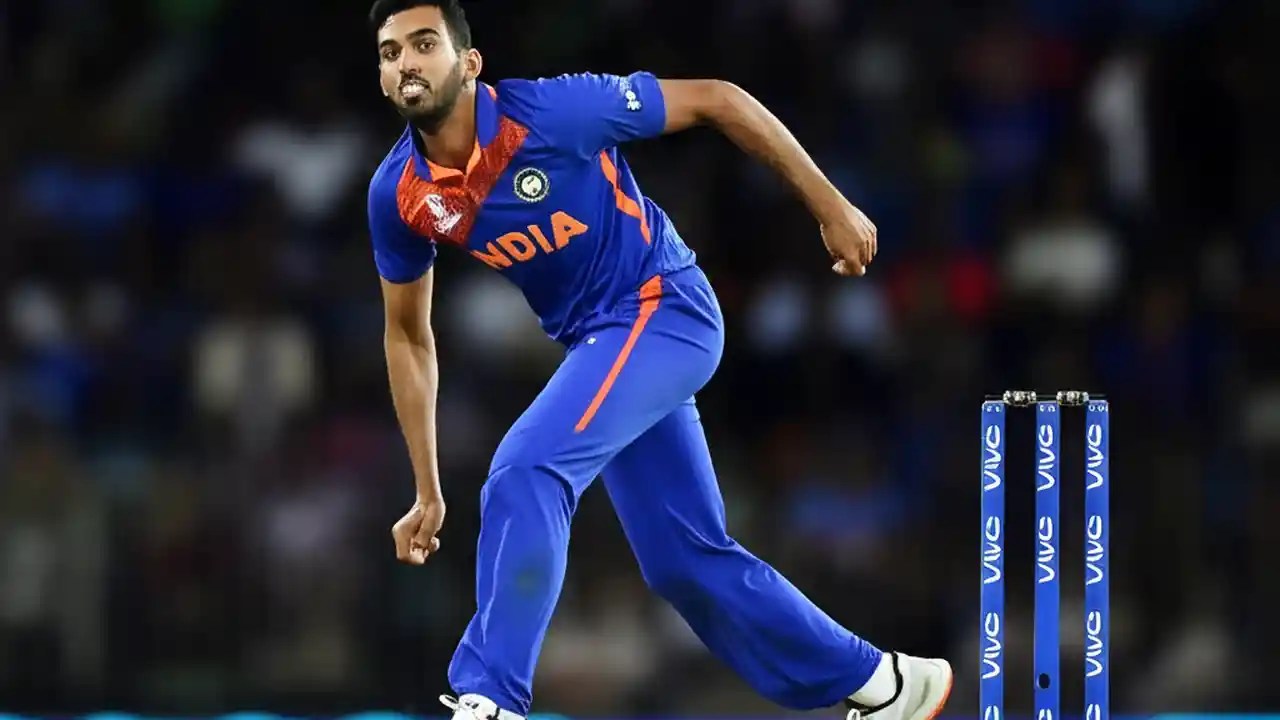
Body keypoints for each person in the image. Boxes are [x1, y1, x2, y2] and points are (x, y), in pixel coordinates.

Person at [365, 1, 952, 719]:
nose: (406, 63)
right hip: (600, 341)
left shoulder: (555, 112)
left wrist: (829, 205)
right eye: (391, 53)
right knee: (684, 562)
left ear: (470, 62)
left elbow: (718, 100)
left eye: (424, 45)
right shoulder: (398, 194)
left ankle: (490, 698)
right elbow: (407, 337)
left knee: (526, 470)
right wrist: (427, 488)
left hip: (661, 307)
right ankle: (888, 685)